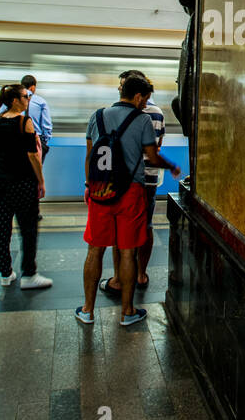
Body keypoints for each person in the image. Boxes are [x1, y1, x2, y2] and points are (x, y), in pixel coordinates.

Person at [76, 74, 181, 327]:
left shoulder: (97, 116)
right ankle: (127, 311)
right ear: (137, 96)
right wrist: (172, 166)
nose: (146, 104)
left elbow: (90, 157)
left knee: (95, 249)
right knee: (127, 251)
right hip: (131, 192)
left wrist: (89, 185)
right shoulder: (143, 119)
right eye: (145, 99)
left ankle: (88, 310)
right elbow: (152, 158)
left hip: (101, 191)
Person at [100, 69, 166, 299]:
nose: (119, 90)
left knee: (121, 232)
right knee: (146, 226)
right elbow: (157, 147)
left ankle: (119, 278)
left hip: (125, 180)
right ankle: (141, 274)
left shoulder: (112, 113)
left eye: (122, 86)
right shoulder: (157, 114)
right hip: (149, 179)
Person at [0, 84, 52, 289]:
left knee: (2, 228)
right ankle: (29, 275)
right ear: (15, 100)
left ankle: (6, 274)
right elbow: (33, 156)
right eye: (25, 96)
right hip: (23, 181)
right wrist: (40, 180)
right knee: (28, 228)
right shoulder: (25, 122)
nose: (28, 100)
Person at [0, 74, 52, 159]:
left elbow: (0, 119)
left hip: (13, 140)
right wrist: (43, 143)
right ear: (33, 87)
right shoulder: (41, 102)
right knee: (34, 169)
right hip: (36, 140)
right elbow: (47, 126)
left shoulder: (10, 99)